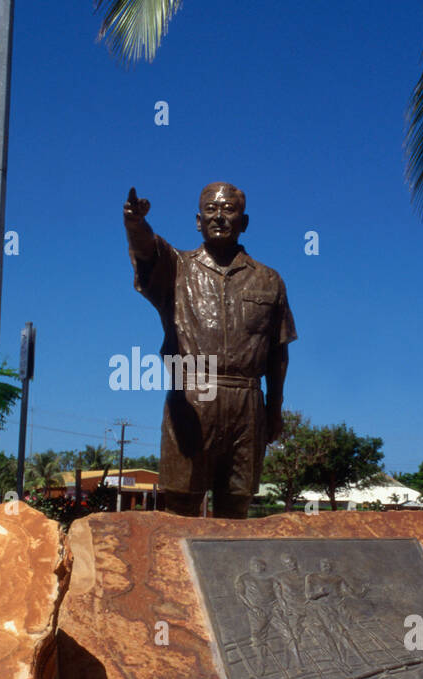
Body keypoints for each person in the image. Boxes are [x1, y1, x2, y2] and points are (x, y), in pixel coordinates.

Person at [123, 183, 296, 518]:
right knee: (180, 503)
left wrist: (274, 409)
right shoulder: (175, 267)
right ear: (198, 220)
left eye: (229, 210)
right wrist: (135, 223)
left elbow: (278, 353)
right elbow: (146, 250)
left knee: (236, 504)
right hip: (193, 394)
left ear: (244, 222)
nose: (219, 217)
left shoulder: (269, 280)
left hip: (247, 402)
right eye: (211, 210)